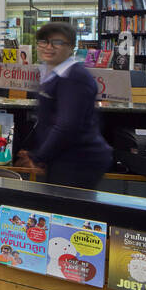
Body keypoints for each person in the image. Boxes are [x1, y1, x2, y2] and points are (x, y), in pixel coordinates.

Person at [15, 22, 112, 189]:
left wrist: (39, 157)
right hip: (62, 156)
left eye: (57, 42)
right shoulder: (53, 73)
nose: (48, 47)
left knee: (65, 211)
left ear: (71, 47)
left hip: (79, 161)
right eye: (43, 41)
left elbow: (67, 126)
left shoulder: (74, 77)